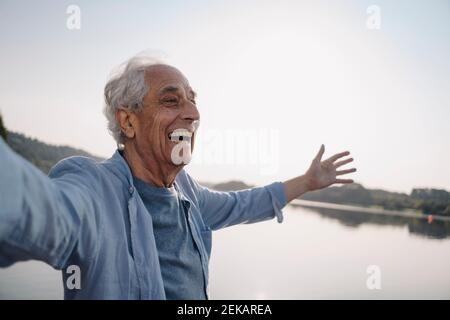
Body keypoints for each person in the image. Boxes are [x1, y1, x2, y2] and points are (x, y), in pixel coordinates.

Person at [0, 54, 356, 299]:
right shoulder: (92, 187)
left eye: (192, 100)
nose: (193, 112)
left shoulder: (187, 192)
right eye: (172, 101)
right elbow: (42, 210)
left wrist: (307, 182)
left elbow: (244, 203)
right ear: (128, 122)